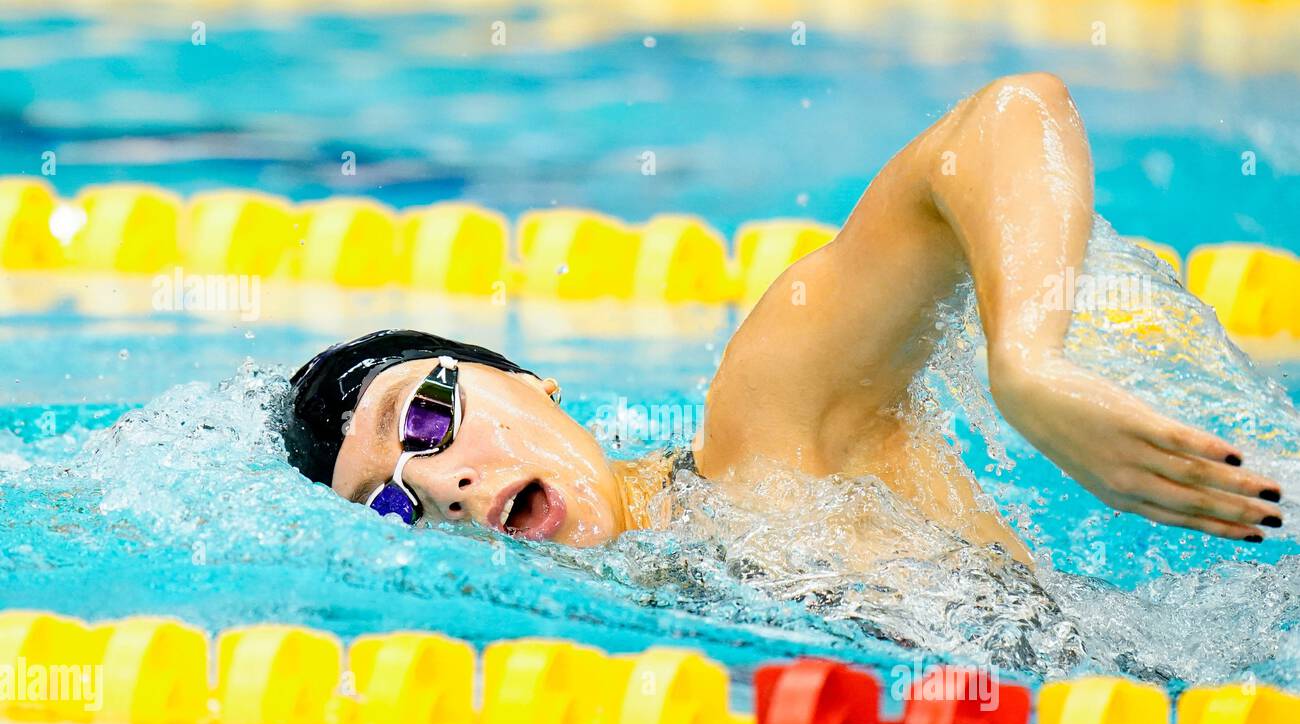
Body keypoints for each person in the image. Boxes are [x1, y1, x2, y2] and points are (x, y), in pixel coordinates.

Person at [282, 72, 1284, 565]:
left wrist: (1029, 364)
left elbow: (1006, 117)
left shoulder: (768, 428)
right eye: (391, 504)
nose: (436, 483)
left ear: (532, 380)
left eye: (422, 419)